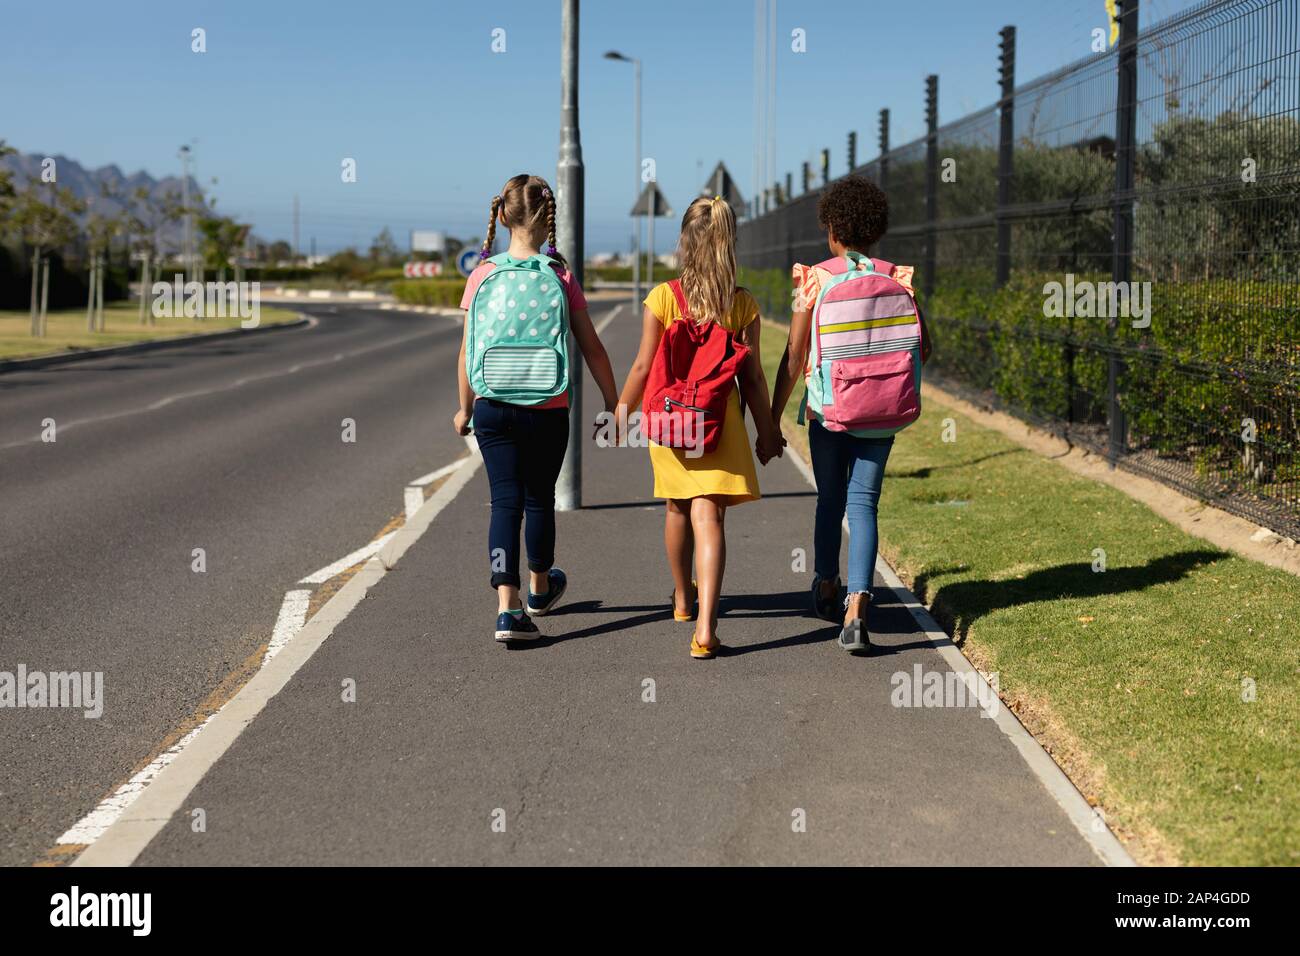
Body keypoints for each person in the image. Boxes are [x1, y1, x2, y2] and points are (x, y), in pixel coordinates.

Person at [616, 196, 785, 659]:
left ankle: (682, 598)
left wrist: (621, 413)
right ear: (728, 244)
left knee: (676, 508)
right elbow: (752, 379)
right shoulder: (741, 305)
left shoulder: (664, 297)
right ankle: (707, 628)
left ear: (684, 243)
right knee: (709, 515)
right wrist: (767, 431)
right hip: (720, 423)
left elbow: (642, 365)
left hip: (674, 422)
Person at [454, 173, 619, 643]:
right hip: (547, 406)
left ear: (502, 216)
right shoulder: (559, 274)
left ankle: (506, 610)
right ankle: (539, 589)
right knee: (539, 498)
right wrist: (611, 401)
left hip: (492, 405)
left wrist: (464, 407)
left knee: (503, 502)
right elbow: (592, 347)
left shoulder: (482, 275)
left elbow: (467, 352)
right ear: (549, 219)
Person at [769, 176, 931, 652]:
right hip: (883, 412)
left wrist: (772, 415)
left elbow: (796, 352)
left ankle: (824, 584)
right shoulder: (898, 277)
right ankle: (858, 606)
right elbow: (924, 346)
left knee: (831, 501)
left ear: (833, 228)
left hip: (830, 411)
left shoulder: (813, 278)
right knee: (864, 505)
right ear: (875, 229)